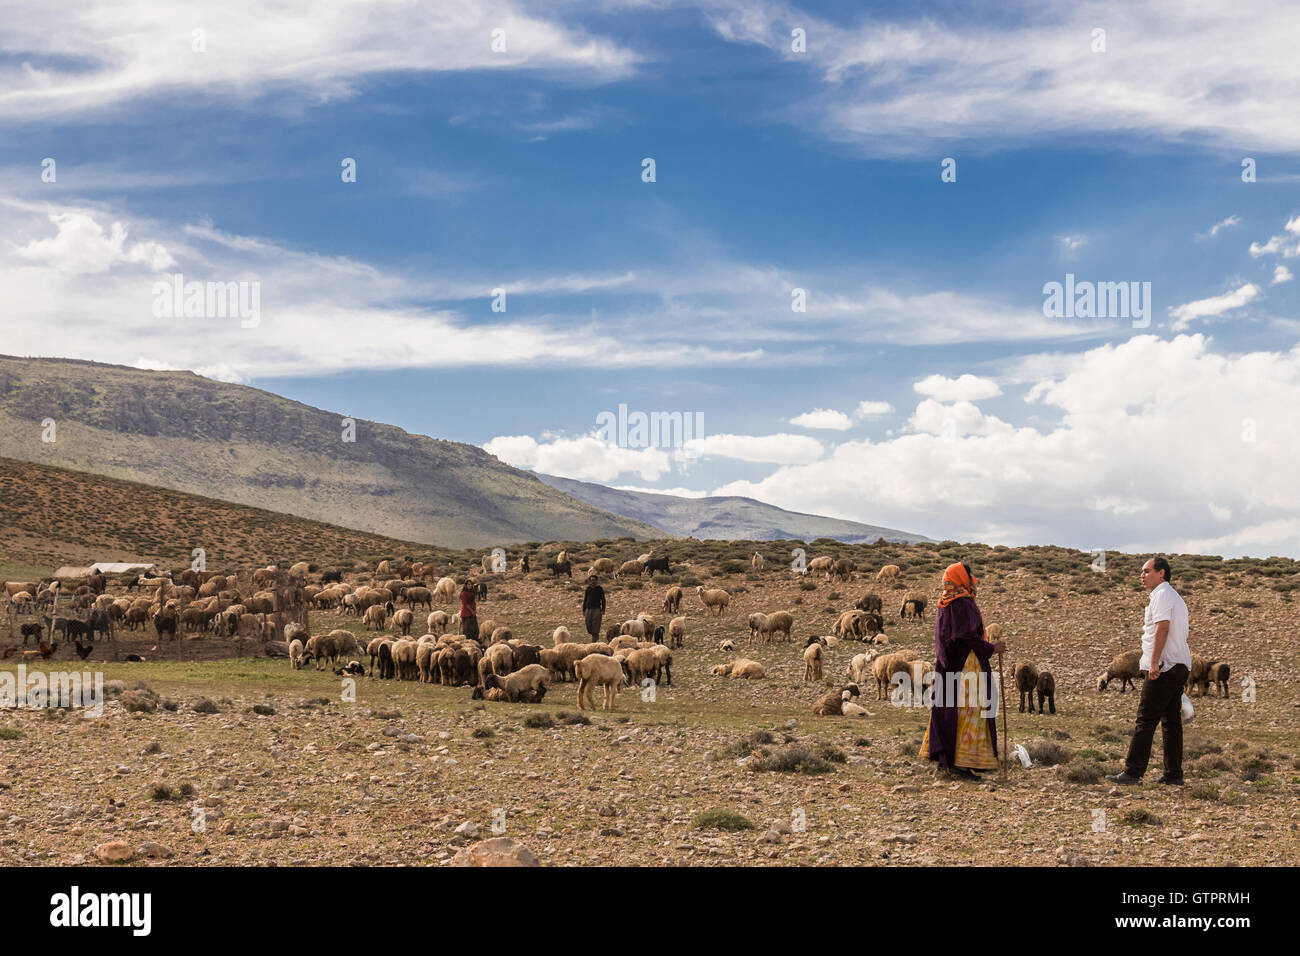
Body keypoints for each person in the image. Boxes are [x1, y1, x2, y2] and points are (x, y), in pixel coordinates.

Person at [1108, 557, 1191, 786]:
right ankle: (1174, 774)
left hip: (1165, 666)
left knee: (1145, 719)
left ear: (1161, 573)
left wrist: (1154, 663)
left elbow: (1162, 628)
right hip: (1179, 664)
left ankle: (1133, 772)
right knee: (1172, 722)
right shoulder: (1172, 596)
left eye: (1146, 571)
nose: (1142, 576)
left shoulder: (1163, 595)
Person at [919, 562, 1005, 780]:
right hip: (966, 666)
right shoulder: (963, 603)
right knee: (970, 710)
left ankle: (946, 758)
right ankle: (962, 760)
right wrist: (992, 648)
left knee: (947, 707)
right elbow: (966, 636)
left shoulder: (944, 602)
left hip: (947, 664)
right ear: (961, 578)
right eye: (968, 575)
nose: (972, 578)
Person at [582, 574, 606, 642]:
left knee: (596, 623)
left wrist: (603, 609)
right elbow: (585, 599)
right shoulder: (588, 589)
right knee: (588, 623)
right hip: (588, 609)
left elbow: (603, 599)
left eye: (594, 580)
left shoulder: (599, 589)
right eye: (591, 580)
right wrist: (583, 609)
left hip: (597, 609)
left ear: (596, 580)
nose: (593, 581)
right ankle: (592, 634)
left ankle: (594, 638)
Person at [460, 577, 479, 643]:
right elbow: (465, 604)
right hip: (466, 613)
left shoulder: (472, 592)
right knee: (467, 628)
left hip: (472, 613)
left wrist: (475, 610)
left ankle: (474, 640)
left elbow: (473, 602)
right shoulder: (464, 593)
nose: (470, 585)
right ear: (465, 585)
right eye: (468, 584)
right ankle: (467, 641)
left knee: (474, 628)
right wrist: (472, 611)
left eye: (471, 584)